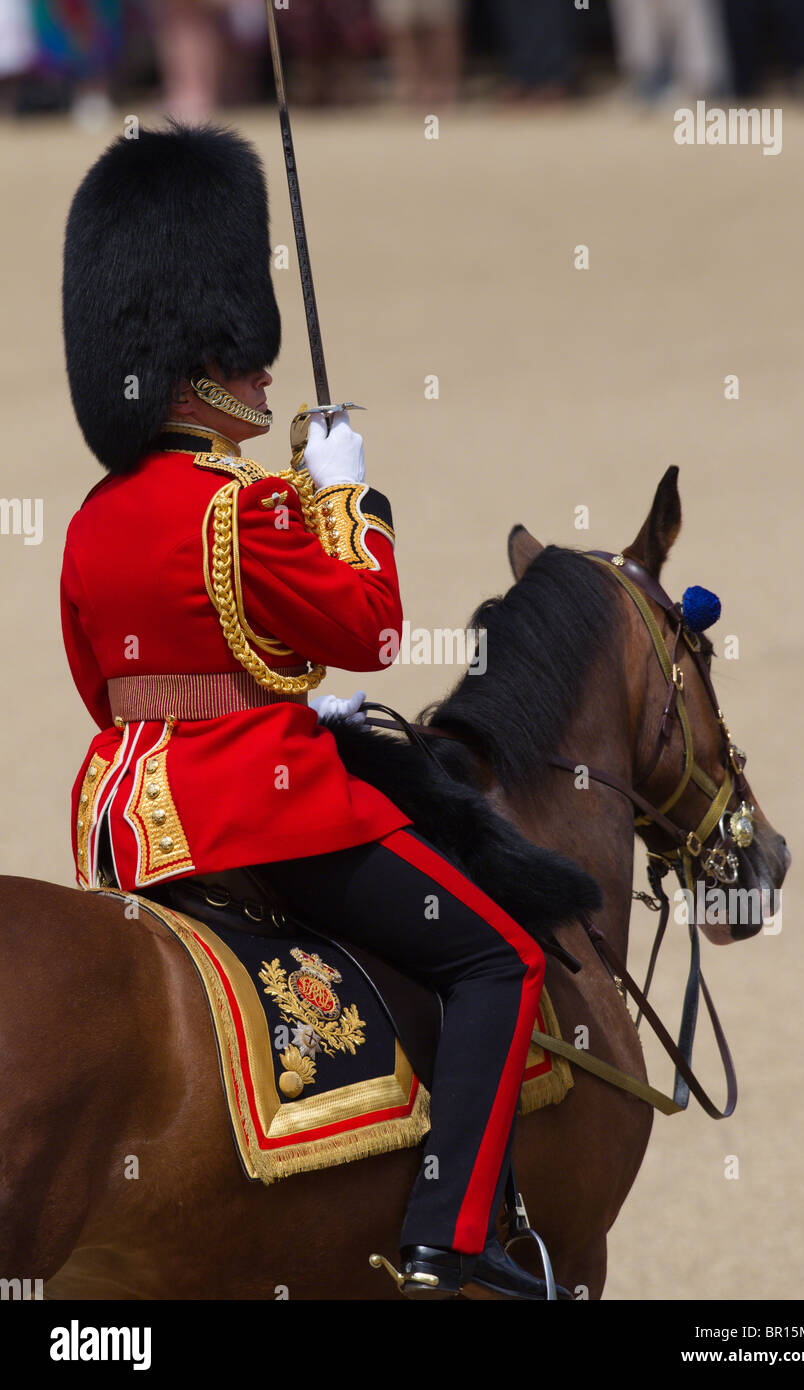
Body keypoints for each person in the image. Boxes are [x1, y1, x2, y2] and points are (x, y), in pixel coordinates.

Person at [60, 121, 566, 1300]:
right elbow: (373, 630)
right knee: (501, 958)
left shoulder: (91, 518)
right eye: (248, 362)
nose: (266, 376)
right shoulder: (246, 506)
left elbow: (108, 680)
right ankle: (453, 1234)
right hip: (258, 807)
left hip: (125, 819)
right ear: (202, 366)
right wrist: (353, 498)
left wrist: (278, 680)